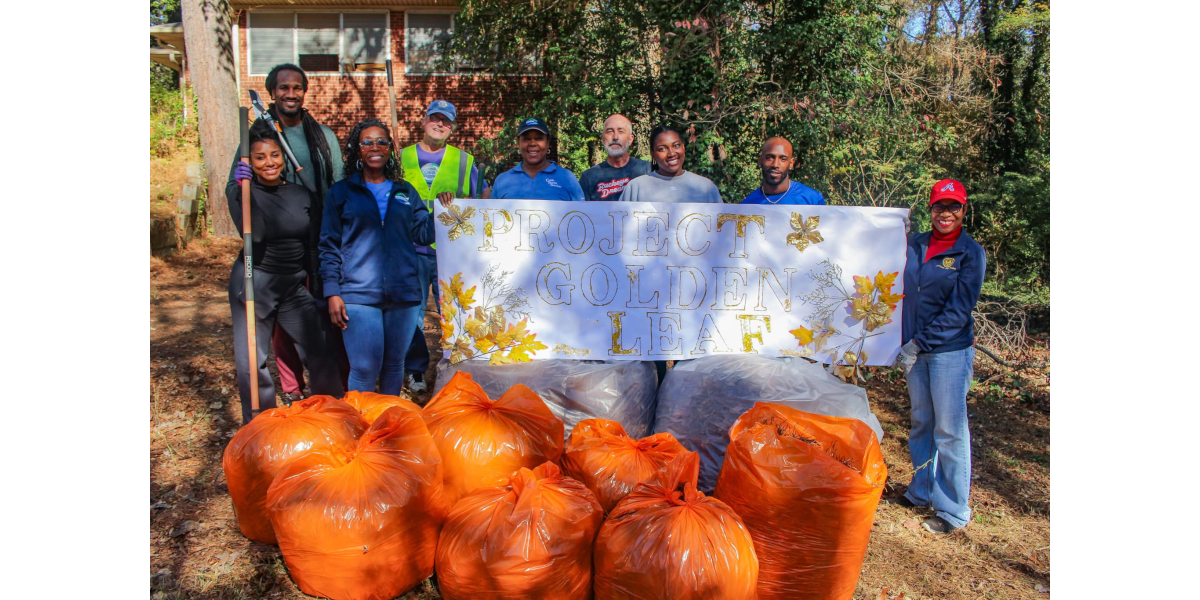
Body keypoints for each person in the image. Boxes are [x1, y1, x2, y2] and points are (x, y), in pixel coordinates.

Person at [229, 63, 347, 403]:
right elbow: (237, 195)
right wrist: (241, 189)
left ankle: (328, 411)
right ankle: (284, 401)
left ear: (304, 91)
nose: (291, 93)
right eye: (284, 88)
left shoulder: (322, 136)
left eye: (297, 87)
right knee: (263, 349)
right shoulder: (258, 135)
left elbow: (336, 188)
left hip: (309, 248)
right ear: (272, 93)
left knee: (319, 338)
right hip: (264, 262)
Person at [319, 118, 455, 396]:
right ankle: (361, 428)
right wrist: (332, 291)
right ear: (357, 150)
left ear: (391, 149)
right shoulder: (341, 193)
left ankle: (389, 429)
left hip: (403, 294)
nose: (375, 147)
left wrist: (441, 211)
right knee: (364, 368)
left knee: (394, 365)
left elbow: (421, 234)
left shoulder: (404, 191)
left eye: (382, 141)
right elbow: (329, 245)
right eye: (367, 142)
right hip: (358, 295)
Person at [890, 178, 987, 534]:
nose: (946, 213)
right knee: (921, 423)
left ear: (964, 210)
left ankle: (952, 510)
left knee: (949, 430)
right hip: (914, 351)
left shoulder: (970, 252)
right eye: (939, 207)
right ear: (930, 210)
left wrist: (918, 344)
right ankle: (920, 490)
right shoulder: (914, 245)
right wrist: (888, 233)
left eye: (954, 207)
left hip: (947, 351)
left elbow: (959, 310)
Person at [398, 100, 488, 393]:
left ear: (452, 128)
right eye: (435, 119)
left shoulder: (465, 161)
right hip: (410, 248)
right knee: (412, 314)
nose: (440, 124)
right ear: (424, 121)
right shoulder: (402, 158)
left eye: (446, 121)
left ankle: (457, 369)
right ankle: (415, 372)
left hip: (450, 250)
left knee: (455, 311)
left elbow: (478, 203)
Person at [619, 125, 722, 204]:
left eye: (676, 145)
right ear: (653, 155)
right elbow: (618, 227)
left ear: (683, 148)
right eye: (662, 149)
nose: (671, 153)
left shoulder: (706, 187)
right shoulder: (636, 188)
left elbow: (722, 228)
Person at [491, 118, 585, 201]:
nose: (533, 143)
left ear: (547, 142)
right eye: (527, 139)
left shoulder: (567, 178)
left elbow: (581, 216)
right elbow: (493, 217)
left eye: (538, 138)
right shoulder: (502, 181)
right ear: (518, 142)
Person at [579, 114, 651, 201]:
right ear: (602, 138)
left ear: (630, 139)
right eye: (610, 131)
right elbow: (583, 212)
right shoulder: (589, 177)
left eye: (621, 131)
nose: (615, 137)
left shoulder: (648, 170)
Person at [740, 137, 826, 205]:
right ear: (760, 160)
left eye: (783, 159)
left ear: (791, 163)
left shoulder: (812, 200)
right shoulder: (748, 205)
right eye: (770, 158)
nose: (775, 165)